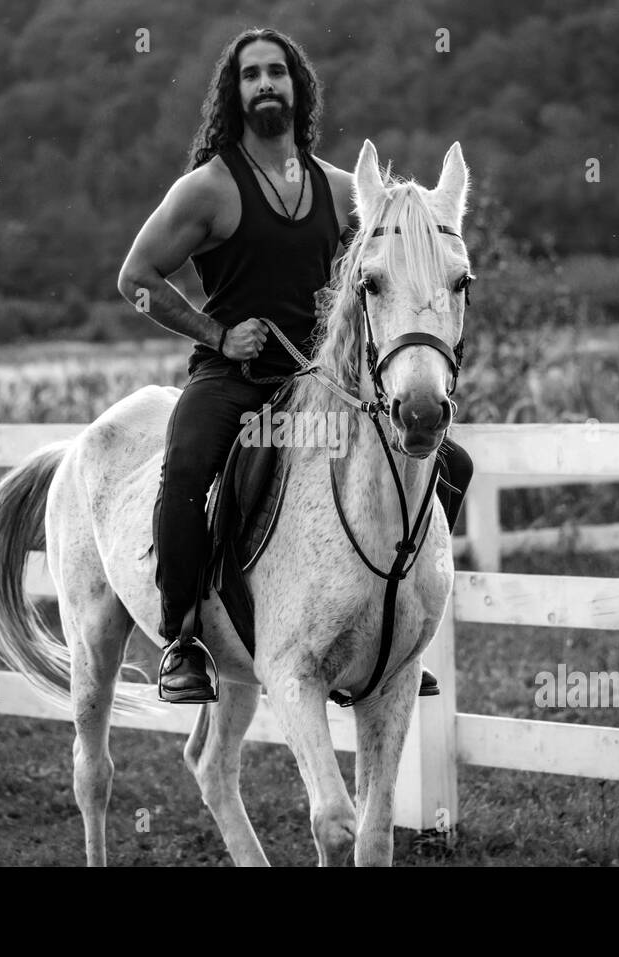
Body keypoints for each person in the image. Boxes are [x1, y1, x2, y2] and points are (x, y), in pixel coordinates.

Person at [117, 27, 473, 704]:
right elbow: (136, 277)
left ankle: (394, 631)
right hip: (233, 380)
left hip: (322, 387)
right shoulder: (207, 190)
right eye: (251, 75)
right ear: (235, 92)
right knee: (188, 464)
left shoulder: (341, 191)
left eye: (276, 72)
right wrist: (217, 335)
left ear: (298, 86)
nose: (265, 84)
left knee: (452, 464)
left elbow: (388, 271)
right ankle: (182, 637)